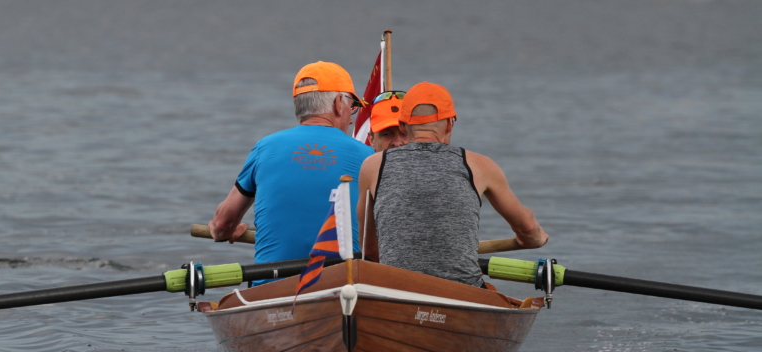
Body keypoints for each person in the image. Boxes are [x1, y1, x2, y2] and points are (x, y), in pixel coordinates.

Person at [357, 82, 548, 287]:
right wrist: (532, 239)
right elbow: (527, 227)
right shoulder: (480, 166)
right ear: (450, 124)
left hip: (397, 290)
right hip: (462, 291)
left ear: (403, 125)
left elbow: (370, 250)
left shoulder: (373, 166)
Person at [209, 61, 374, 283]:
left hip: (272, 287)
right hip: (343, 284)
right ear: (337, 104)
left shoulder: (264, 148)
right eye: (352, 106)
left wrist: (226, 232)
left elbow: (221, 224)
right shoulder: (368, 156)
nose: (352, 117)